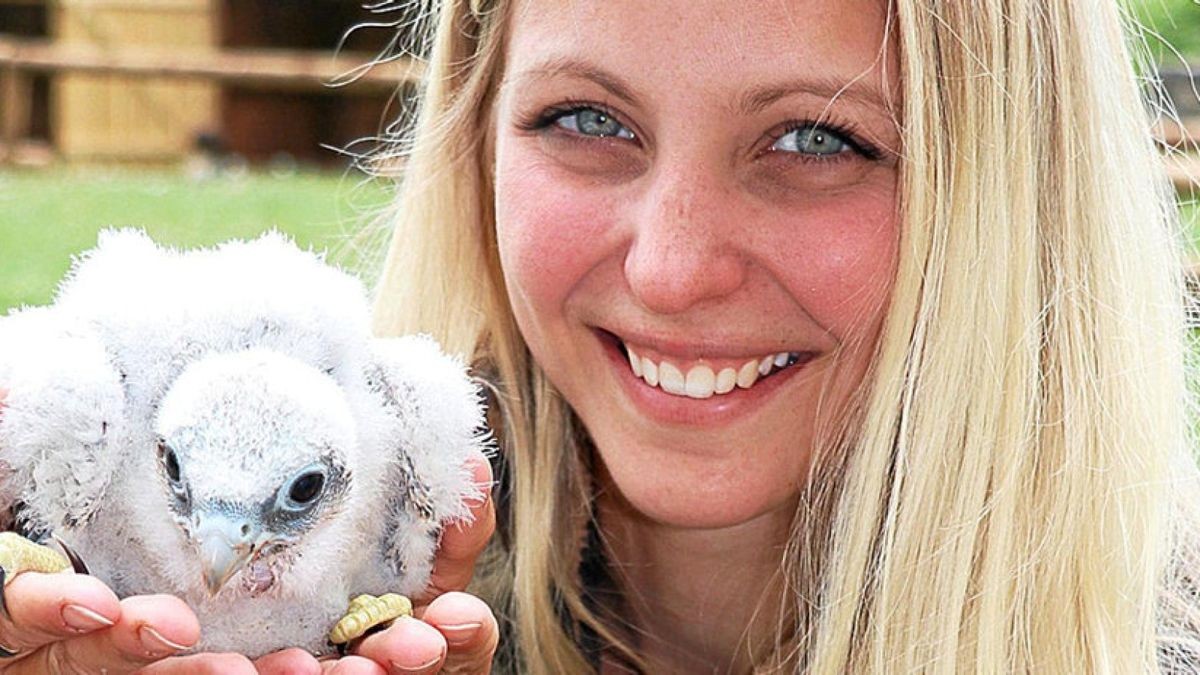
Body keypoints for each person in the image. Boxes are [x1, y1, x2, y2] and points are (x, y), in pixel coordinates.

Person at [1, 0, 1198, 673]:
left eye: (819, 140)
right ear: (474, 146)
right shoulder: (327, 610)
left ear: (1015, 194)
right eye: (587, 119)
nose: (673, 270)